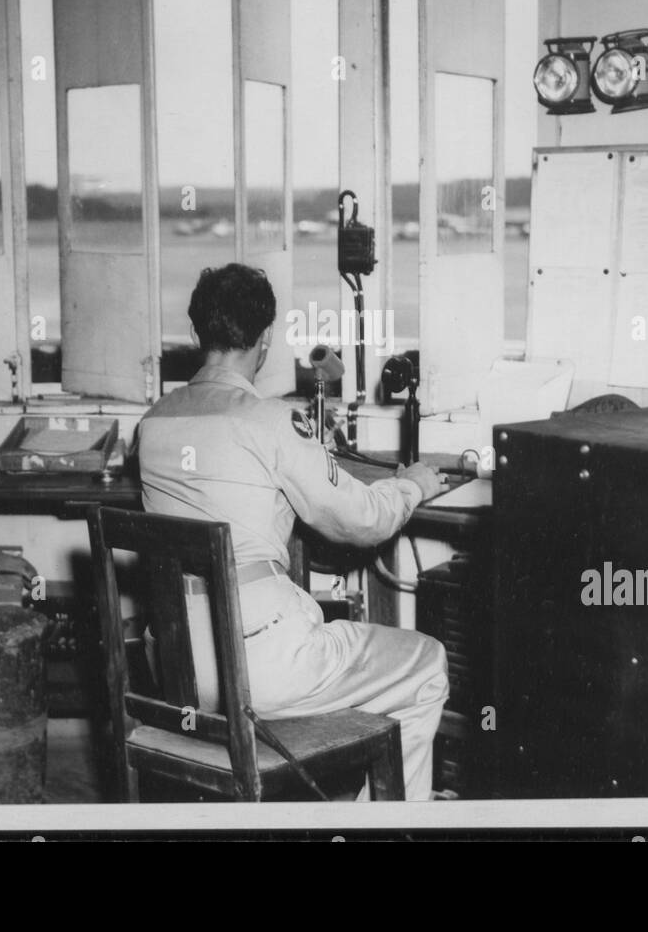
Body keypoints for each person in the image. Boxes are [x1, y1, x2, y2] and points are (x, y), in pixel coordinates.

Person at [134, 263, 451, 800]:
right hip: (260, 666)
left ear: (195, 334)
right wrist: (413, 486)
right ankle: (386, 825)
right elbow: (365, 521)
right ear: (264, 339)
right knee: (426, 663)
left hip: (174, 663)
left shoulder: (151, 425)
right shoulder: (270, 421)